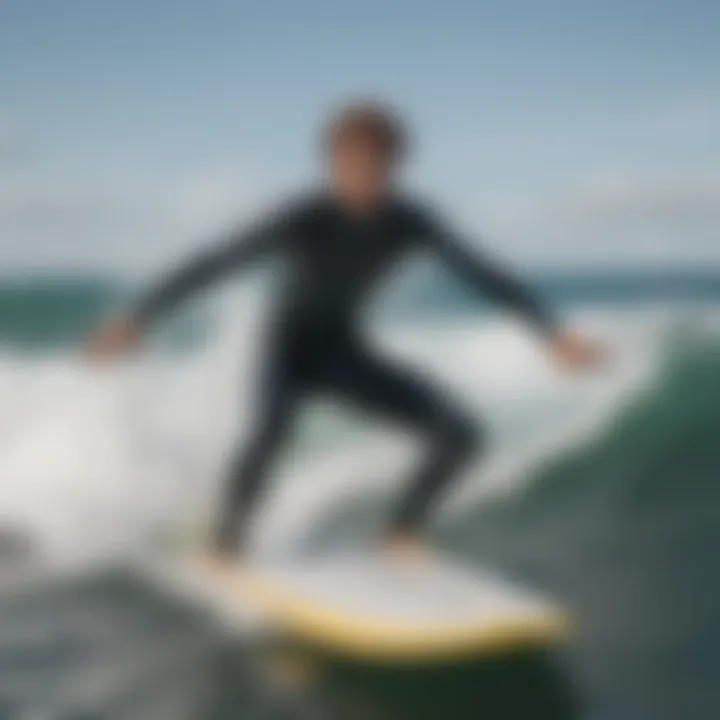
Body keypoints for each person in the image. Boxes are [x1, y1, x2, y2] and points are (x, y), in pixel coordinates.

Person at [87, 101, 599, 564]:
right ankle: (227, 540)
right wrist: (140, 316)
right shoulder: (303, 217)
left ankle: (401, 530)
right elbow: (216, 262)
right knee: (271, 432)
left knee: (460, 435)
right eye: (345, 163)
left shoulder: (411, 221)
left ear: (394, 166)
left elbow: (482, 272)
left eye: (371, 165)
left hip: (341, 352)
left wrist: (551, 333)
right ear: (330, 164)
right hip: (285, 350)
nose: (356, 175)